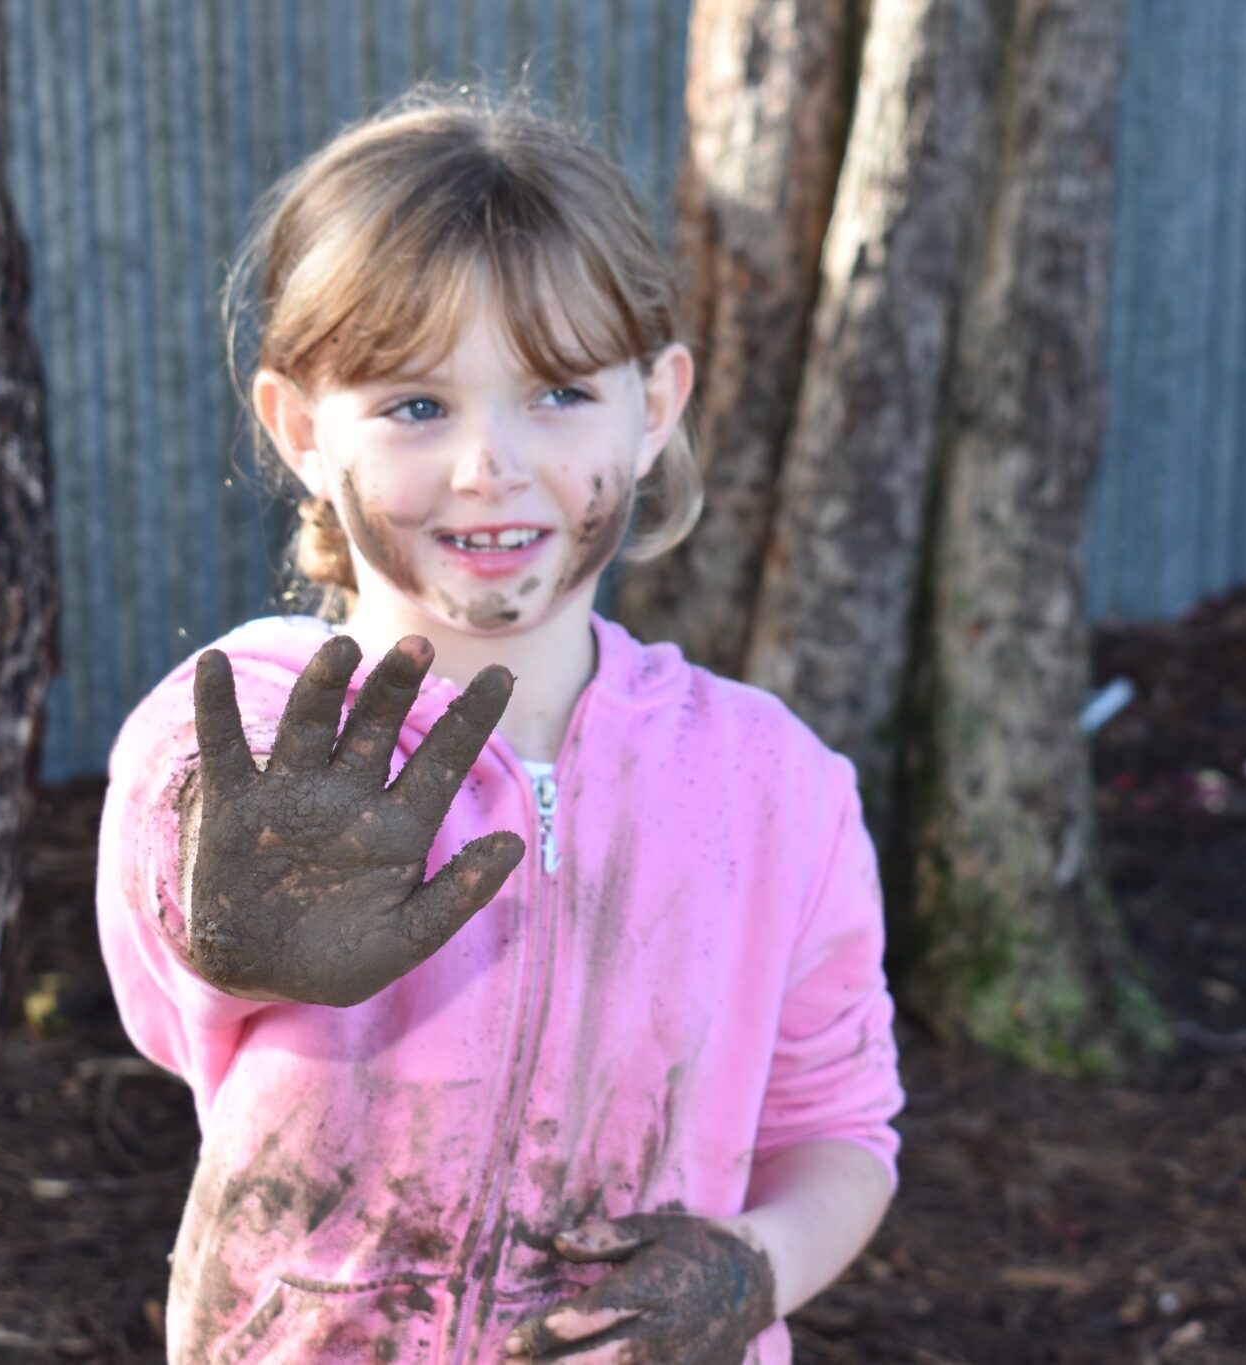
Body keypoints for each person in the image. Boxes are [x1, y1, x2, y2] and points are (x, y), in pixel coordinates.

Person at [95, 89, 902, 1365]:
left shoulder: (773, 783)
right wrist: (244, 930)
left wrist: (753, 1270)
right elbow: (173, 957)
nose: (489, 464)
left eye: (559, 393)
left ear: (656, 406)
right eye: (416, 405)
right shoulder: (242, 734)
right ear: (300, 429)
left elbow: (839, 1132)